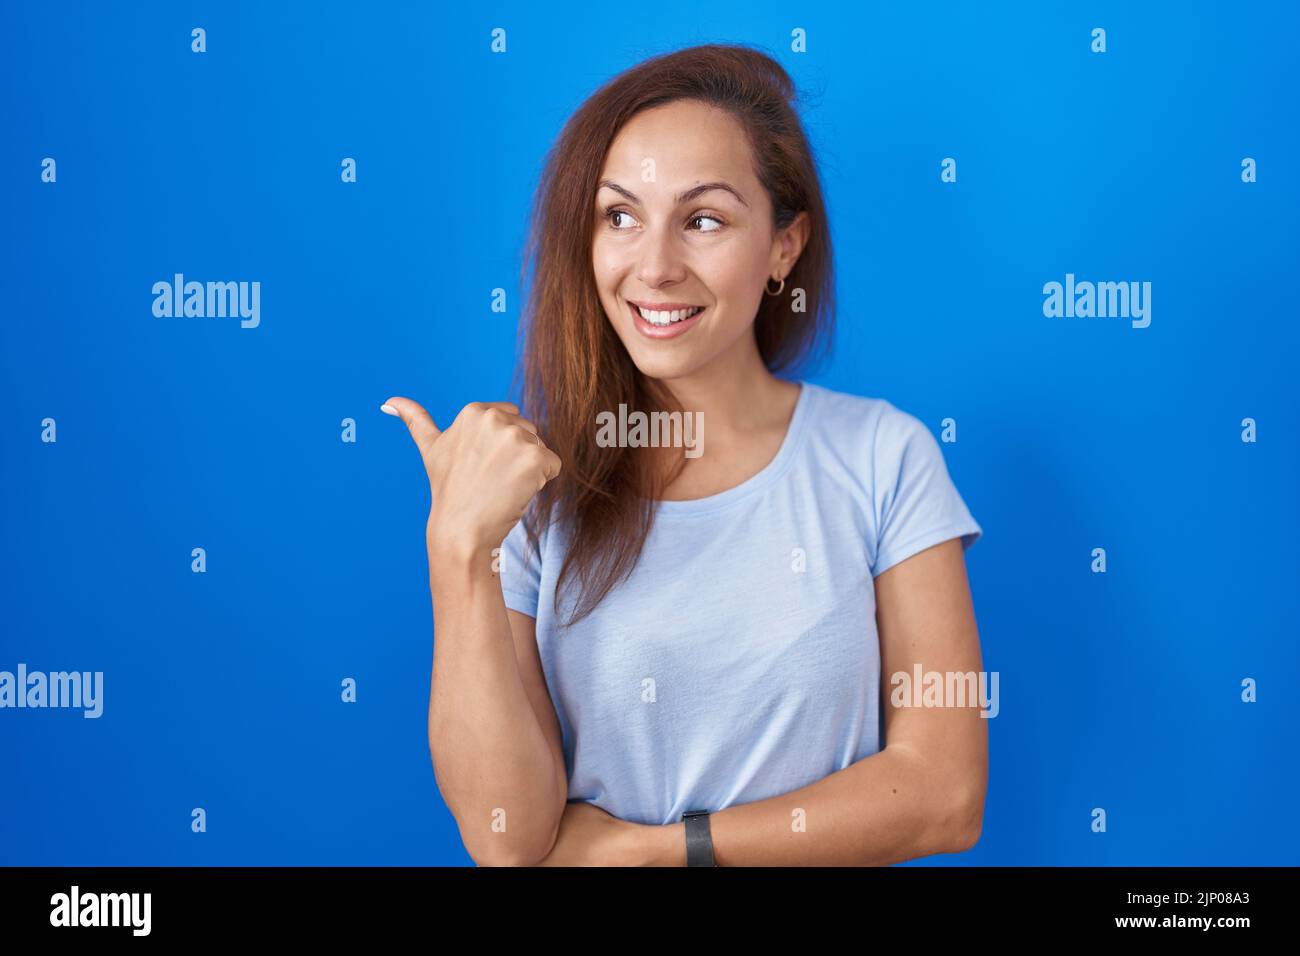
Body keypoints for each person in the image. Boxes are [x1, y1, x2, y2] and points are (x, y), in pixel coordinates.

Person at [382, 43, 987, 866]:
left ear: (784, 246)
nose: (655, 267)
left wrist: (662, 851)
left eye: (703, 219)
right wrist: (457, 548)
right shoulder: (530, 490)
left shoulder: (883, 456)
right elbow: (508, 841)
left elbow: (944, 796)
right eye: (619, 216)